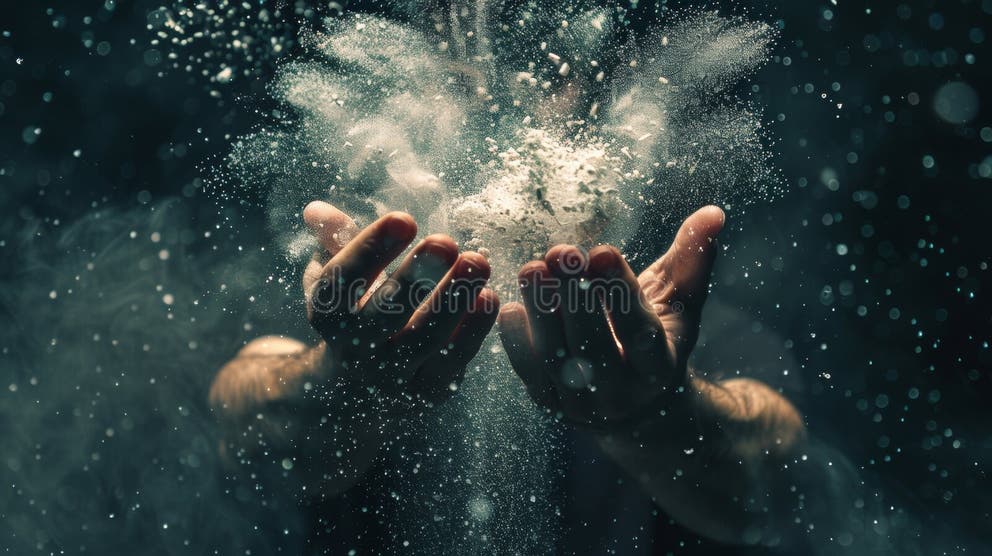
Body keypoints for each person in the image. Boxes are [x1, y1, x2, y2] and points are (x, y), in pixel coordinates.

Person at [209, 200, 811, 550]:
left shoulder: (670, 323)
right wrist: (342, 376)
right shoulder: (346, 304)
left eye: (550, 77)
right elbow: (247, 429)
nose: (495, 96)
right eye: (460, 71)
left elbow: (773, 485)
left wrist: (652, 413)